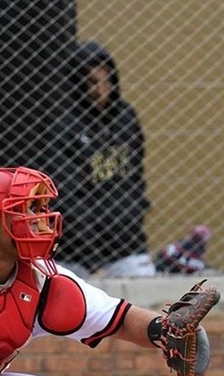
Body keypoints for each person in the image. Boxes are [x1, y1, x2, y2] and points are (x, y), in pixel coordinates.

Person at [0, 166, 212, 376]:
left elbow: (119, 317)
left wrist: (164, 330)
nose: (39, 219)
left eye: (41, 209)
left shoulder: (39, 280)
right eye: (25, 210)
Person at [40, 40, 154, 277]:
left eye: (107, 80)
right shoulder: (65, 126)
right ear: (78, 84)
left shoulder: (126, 118)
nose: (101, 89)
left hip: (125, 243)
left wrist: (134, 213)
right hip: (78, 252)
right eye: (92, 82)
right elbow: (68, 195)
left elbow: (136, 178)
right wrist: (92, 255)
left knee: (146, 305)